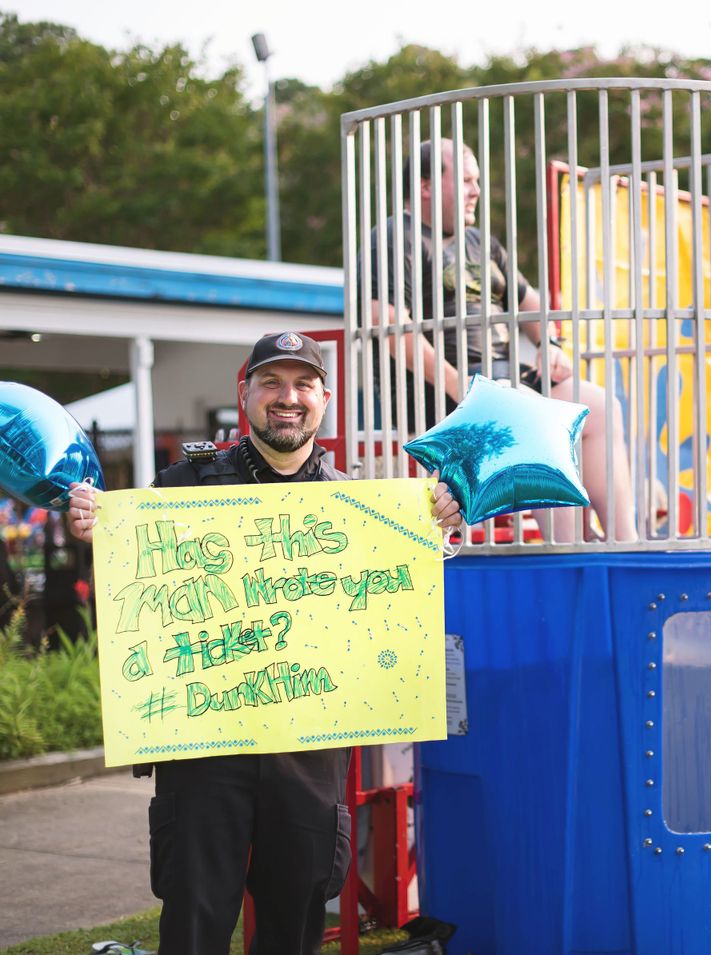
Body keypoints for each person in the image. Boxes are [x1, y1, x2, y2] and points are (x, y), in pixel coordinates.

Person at [67, 331, 462, 955]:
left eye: (303, 384)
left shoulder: (359, 503)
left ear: (325, 399)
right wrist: (95, 524)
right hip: (200, 749)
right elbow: (128, 566)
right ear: (244, 393)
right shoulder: (179, 486)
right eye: (272, 383)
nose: (288, 398)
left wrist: (437, 521)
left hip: (309, 749)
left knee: (296, 920)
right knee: (195, 917)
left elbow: (400, 586)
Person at [368, 138, 638, 543]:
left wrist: (551, 345)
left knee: (600, 406)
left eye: (477, 180)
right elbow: (387, 323)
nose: (477, 191)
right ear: (425, 186)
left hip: (510, 382)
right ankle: (565, 555)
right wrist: (464, 387)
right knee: (536, 417)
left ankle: (625, 544)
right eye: (465, 180)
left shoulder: (480, 241)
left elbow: (532, 305)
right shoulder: (395, 235)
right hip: (443, 398)